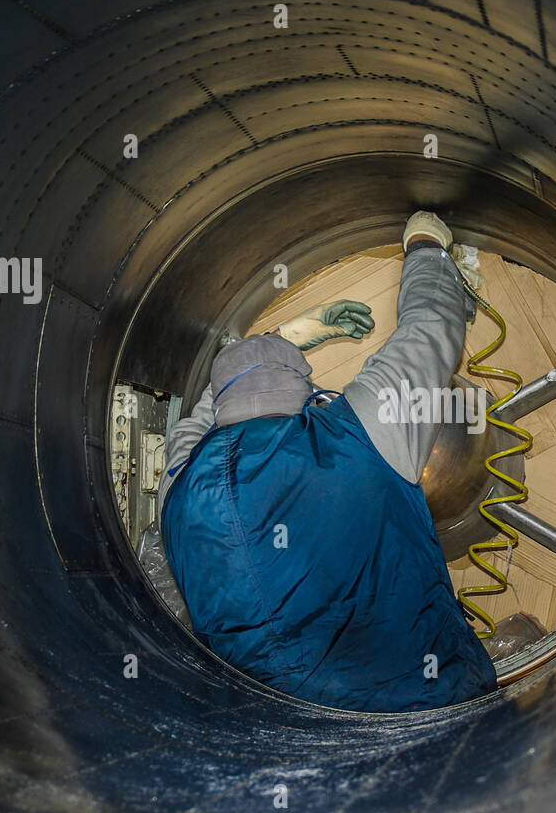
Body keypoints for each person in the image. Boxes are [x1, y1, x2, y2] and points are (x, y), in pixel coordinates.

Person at [159, 212, 498, 712]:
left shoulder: (178, 486)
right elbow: (431, 328)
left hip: (284, 728)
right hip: (429, 693)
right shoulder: (360, 429)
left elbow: (202, 415)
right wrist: (426, 242)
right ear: (307, 396)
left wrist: (286, 338)